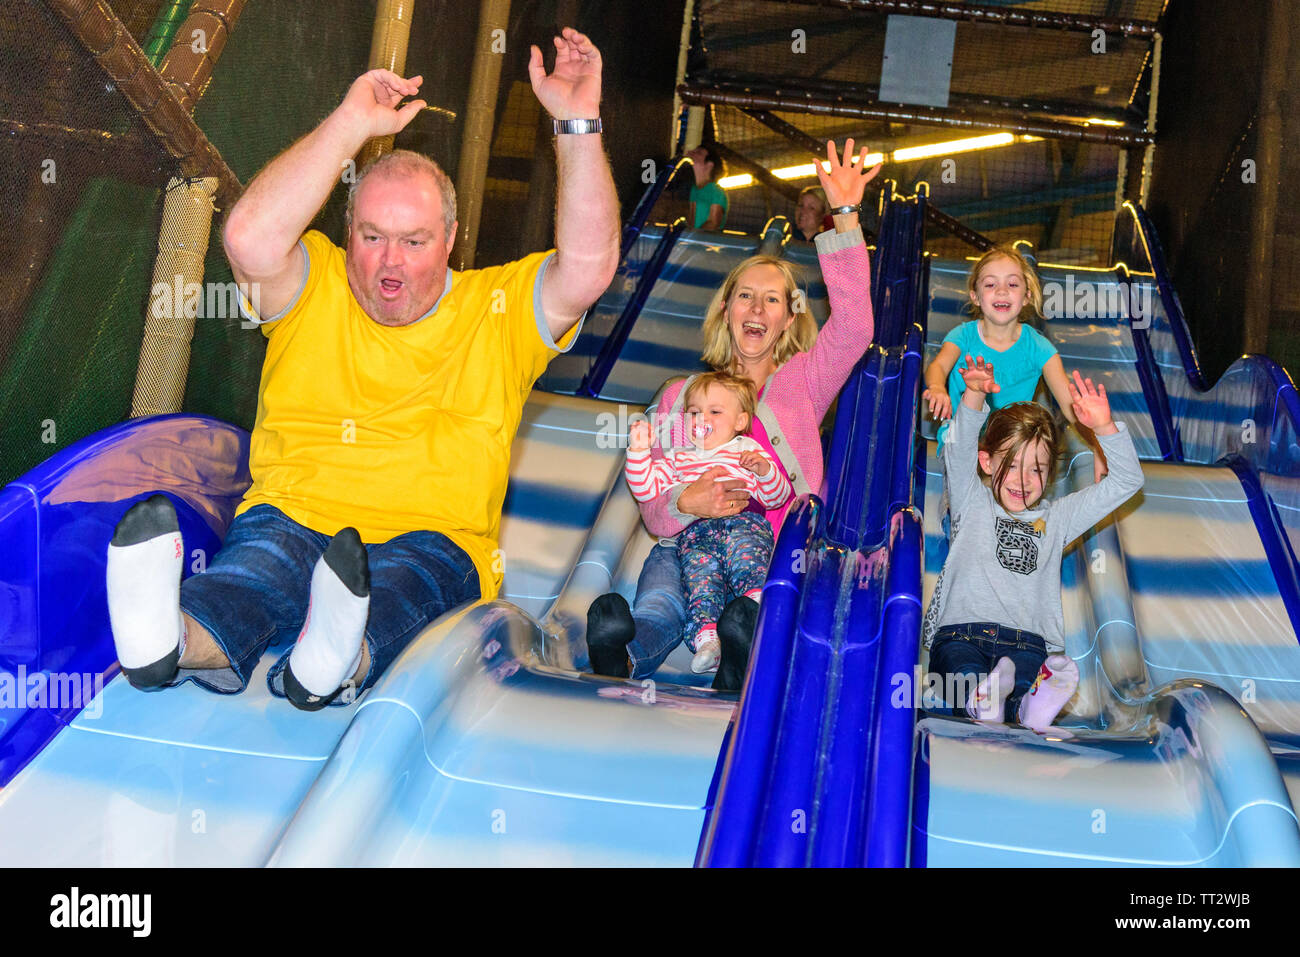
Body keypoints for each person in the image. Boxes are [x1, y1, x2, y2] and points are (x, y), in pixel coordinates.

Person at [104, 28, 619, 710]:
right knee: (253, 574)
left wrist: (576, 124)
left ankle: (339, 657)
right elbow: (248, 237)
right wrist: (351, 123)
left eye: (413, 241)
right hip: (293, 515)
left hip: (432, 539)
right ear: (349, 234)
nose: (389, 264)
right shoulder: (312, 279)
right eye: (372, 237)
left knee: (406, 582)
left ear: (451, 240)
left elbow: (587, 268)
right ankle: (168, 636)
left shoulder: (496, 308)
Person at [586, 138, 880, 692]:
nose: (757, 309)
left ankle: (738, 654)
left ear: (789, 320)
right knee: (662, 600)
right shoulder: (683, 396)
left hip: (766, 554)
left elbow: (857, 328)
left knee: (757, 604)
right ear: (727, 308)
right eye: (746, 296)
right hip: (688, 542)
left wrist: (843, 216)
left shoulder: (804, 385)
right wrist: (683, 502)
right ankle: (621, 652)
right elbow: (653, 505)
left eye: (773, 301)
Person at [922, 358, 1145, 730]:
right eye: (1010, 464)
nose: (1023, 480)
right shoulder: (972, 501)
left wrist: (1104, 427)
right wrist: (974, 395)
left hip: (1027, 643)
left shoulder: (1056, 519)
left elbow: (1126, 482)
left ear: (1049, 473)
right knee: (962, 673)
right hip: (962, 633)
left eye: (1036, 469)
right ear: (987, 462)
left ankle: (1023, 709)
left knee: (1026, 682)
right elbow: (957, 452)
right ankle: (985, 700)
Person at [625, 371, 791, 674]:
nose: (702, 418)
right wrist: (638, 452)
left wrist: (765, 470)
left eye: (715, 411)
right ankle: (707, 639)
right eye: (693, 412)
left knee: (748, 559)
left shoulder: (746, 450)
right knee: (700, 582)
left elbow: (778, 497)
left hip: (744, 525)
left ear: (740, 421)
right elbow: (646, 489)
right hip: (696, 535)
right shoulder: (679, 459)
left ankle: (754, 607)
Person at [922, 245, 1108, 507]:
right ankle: (958, 522)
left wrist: (1099, 446)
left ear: (1027, 296)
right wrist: (937, 387)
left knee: (1015, 487)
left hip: (1012, 446)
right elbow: (938, 366)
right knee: (966, 496)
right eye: (990, 285)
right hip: (963, 442)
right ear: (975, 296)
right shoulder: (963, 336)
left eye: (1012, 284)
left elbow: (1071, 407)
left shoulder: (1039, 348)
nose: (1001, 291)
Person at [686, 143, 728, 231]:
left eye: (699, 153)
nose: (690, 152)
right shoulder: (694, 189)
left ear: (709, 165)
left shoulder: (717, 192)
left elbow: (713, 224)